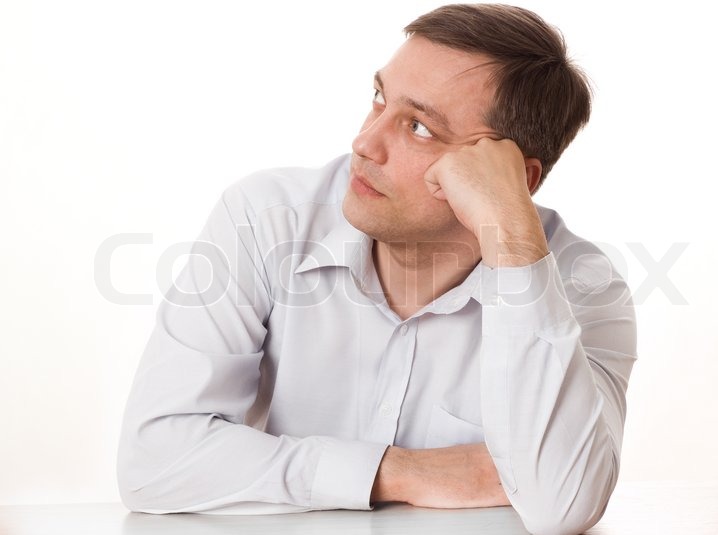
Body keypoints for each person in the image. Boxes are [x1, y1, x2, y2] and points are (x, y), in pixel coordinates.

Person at [117, 4, 637, 535]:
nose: (364, 143)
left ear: (513, 178)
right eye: (379, 98)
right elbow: (153, 463)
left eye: (419, 127)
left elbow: (563, 505)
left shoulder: (585, 289)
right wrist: (401, 472)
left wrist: (511, 235)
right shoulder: (266, 219)